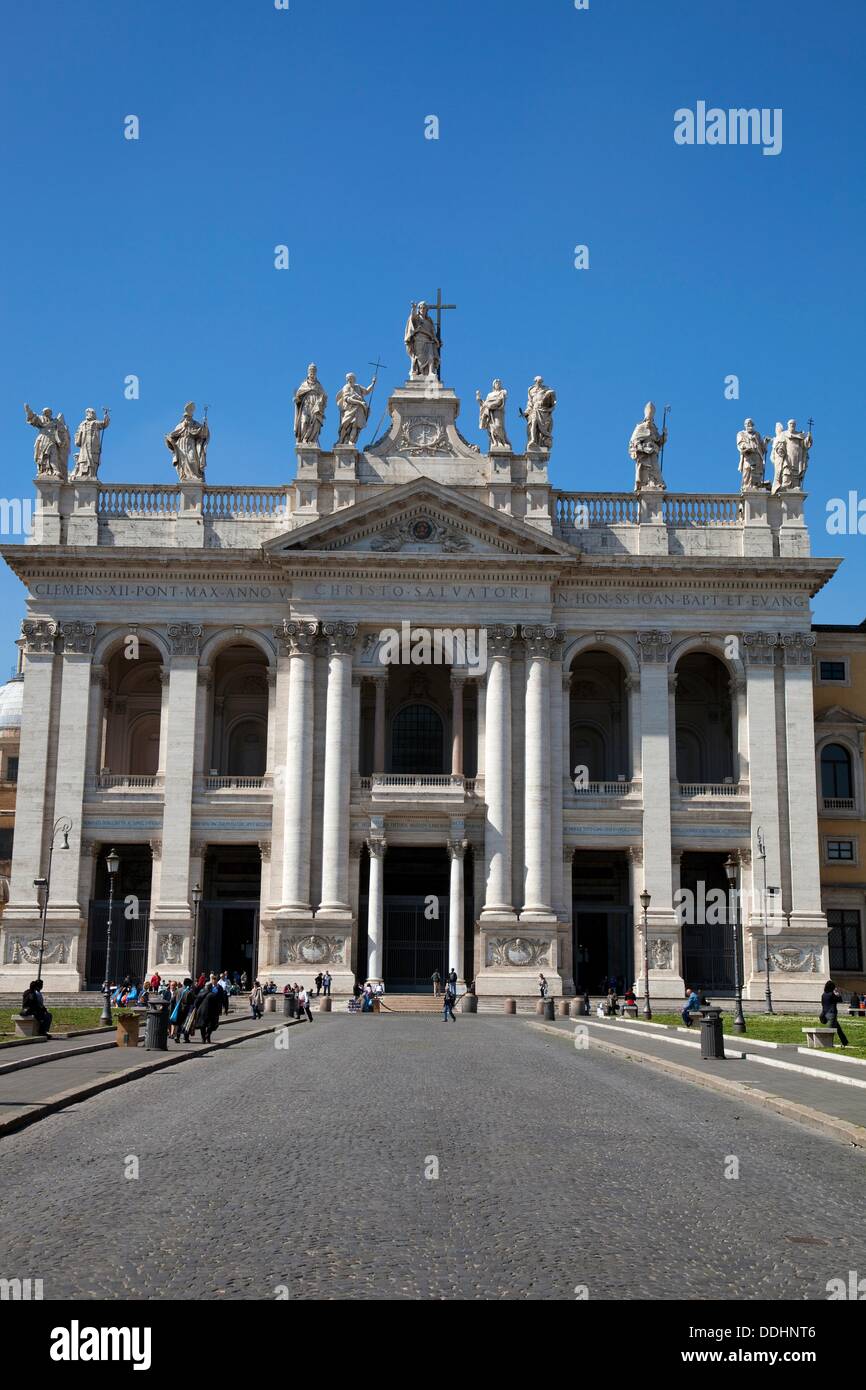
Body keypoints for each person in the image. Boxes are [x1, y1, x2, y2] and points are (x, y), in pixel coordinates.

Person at [820, 980, 849, 1047]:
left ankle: (845, 1042)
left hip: (825, 1013)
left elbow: (823, 1004)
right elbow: (840, 1000)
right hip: (832, 1014)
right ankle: (828, 1044)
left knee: (838, 1029)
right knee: (830, 1030)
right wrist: (837, 994)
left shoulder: (823, 995)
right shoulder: (832, 994)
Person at [171, 978, 196, 1043]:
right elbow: (191, 1002)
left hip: (178, 1009)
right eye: (190, 984)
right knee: (186, 1023)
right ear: (188, 984)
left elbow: (172, 1000)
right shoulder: (189, 992)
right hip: (186, 1010)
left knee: (178, 1023)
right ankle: (186, 1038)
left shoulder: (177, 990)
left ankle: (177, 1036)